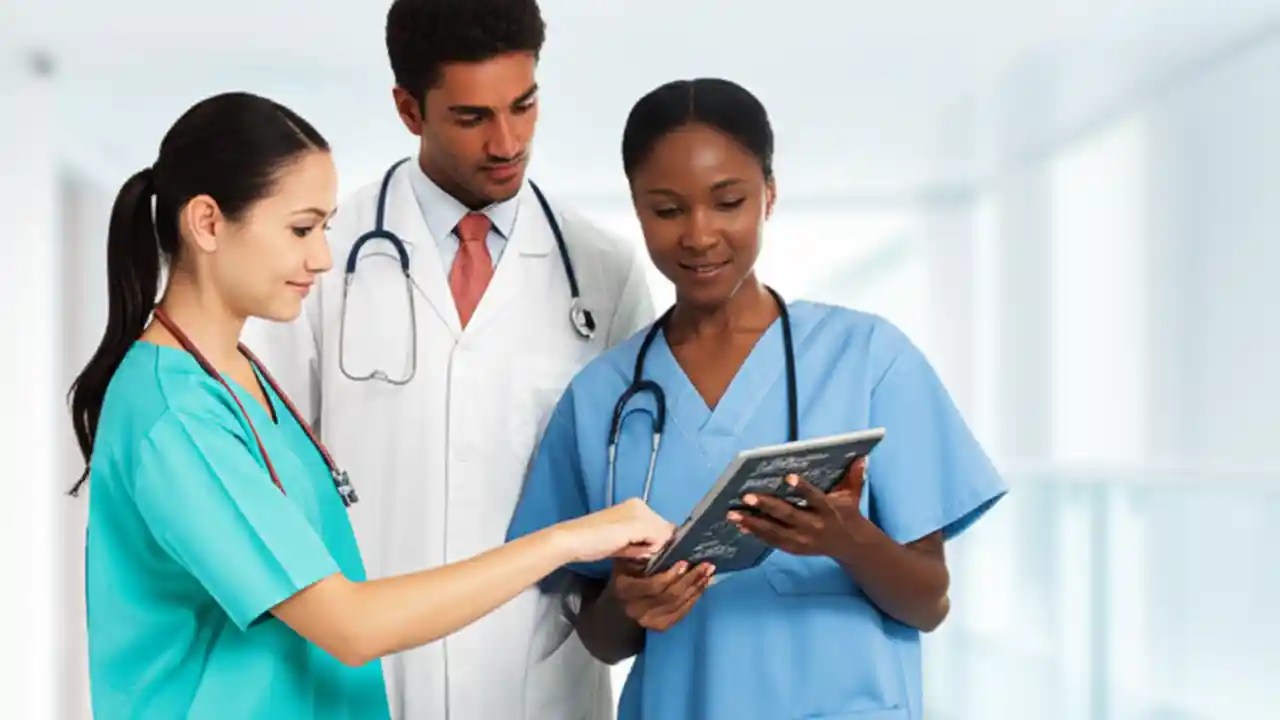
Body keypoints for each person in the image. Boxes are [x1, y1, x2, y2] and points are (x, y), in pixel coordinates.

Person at [67, 91, 672, 720]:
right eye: (301, 229)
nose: (321, 259)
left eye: (325, 229)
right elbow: (350, 625)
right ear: (209, 223)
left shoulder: (242, 376)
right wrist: (567, 540)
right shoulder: (175, 415)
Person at [506, 77, 1009, 720]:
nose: (700, 235)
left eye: (728, 202)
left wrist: (847, 539)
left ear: (769, 195)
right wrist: (628, 605)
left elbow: (929, 602)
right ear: (636, 210)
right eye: (667, 210)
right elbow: (603, 642)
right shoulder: (602, 398)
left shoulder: (869, 358)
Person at [240, 1, 654, 716]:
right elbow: (265, 479)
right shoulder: (320, 260)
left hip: (537, 682)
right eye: (471, 118)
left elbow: (633, 481)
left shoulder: (602, 270)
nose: (506, 141)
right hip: (363, 676)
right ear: (408, 108)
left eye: (523, 106)